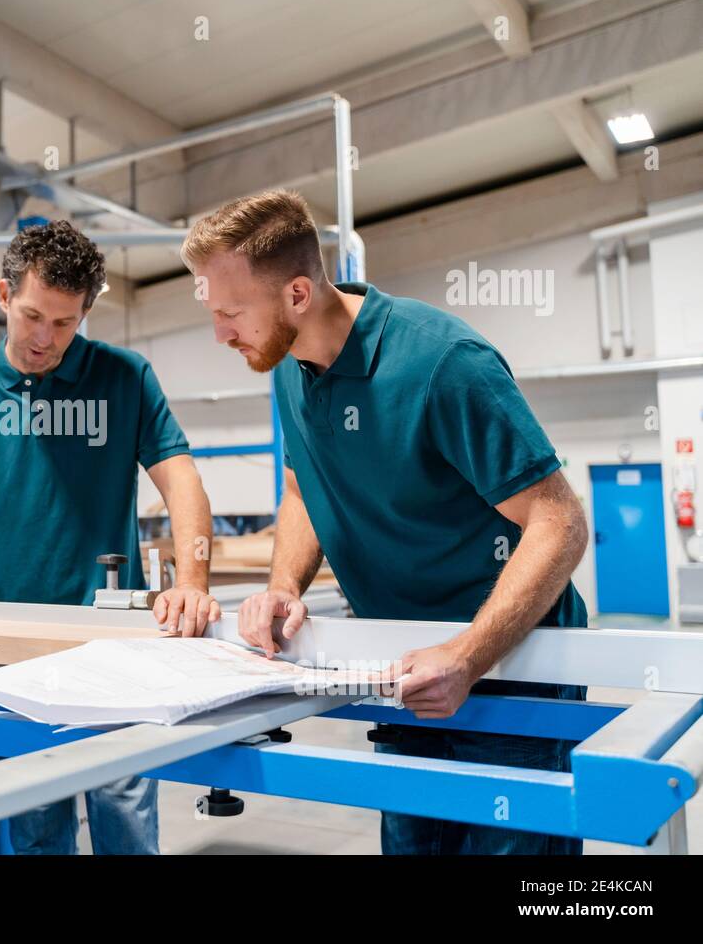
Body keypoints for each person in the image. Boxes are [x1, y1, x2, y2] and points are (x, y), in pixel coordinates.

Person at [182, 189, 589, 855]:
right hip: (401, 672)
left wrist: (467, 656)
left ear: (296, 295)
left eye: (231, 313)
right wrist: (285, 586)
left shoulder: (441, 364)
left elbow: (558, 521)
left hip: (512, 673)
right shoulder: (287, 369)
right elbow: (301, 489)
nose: (220, 333)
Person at [0, 220, 220, 854]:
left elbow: (182, 482)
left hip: (117, 650)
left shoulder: (125, 379)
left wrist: (191, 583)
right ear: (3, 296)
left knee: (126, 821)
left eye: (65, 323)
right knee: (38, 831)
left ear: (85, 312)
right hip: (12, 655)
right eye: (32, 316)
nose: (44, 339)